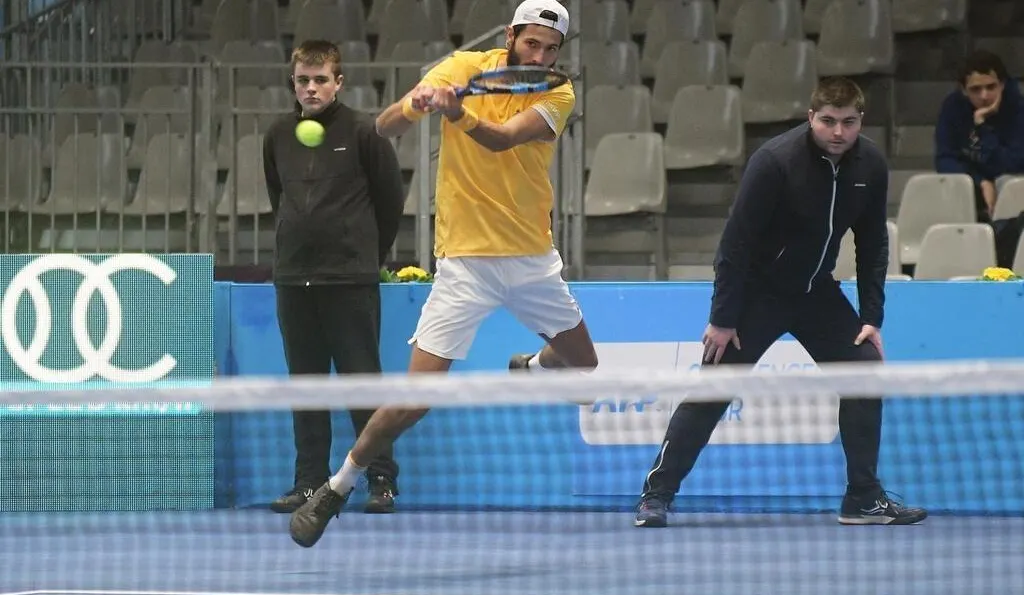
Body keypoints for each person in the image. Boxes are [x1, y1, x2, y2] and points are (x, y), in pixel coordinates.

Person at [288, 0, 599, 548]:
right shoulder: (461, 67)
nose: (540, 55)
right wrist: (419, 103)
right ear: (510, 36)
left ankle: (532, 364)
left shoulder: (558, 91)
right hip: (464, 264)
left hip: (531, 258)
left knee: (584, 366)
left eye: (551, 49)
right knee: (414, 398)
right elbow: (383, 128)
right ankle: (337, 487)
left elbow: (502, 139)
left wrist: (457, 114)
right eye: (531, 44)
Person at [633, 77, 929, 529]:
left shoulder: (870, 163)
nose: (837, 132)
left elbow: (872, 244)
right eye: (828, 121)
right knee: (712, 391)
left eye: (848, 123)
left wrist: (872, 317)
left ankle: (863, 499)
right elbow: (735, 243)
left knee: (864, 369)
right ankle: (656, 496)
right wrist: (723, 319)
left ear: (860, 122)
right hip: (758, 295)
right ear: (811, 117)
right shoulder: (774, 161)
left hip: (816, 293)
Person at [262, 39, 406, 515]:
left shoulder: (365, 132)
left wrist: (366, 255)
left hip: (350, 280)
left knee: (362, 383)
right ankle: (308, 483)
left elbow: (390, 203)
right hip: (294, 279)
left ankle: (380, 481)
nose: (311, 87)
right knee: (306, 385)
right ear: (294, 83)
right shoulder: (278, 135)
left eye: (321, 79)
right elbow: (276, 197)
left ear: (338, 83)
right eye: (303, 79)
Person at [935, 49, 1024, 222]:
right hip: (974, 184)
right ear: (963, 90)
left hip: (1010, 185)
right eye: (976, 89)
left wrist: (982, 126)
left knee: (1007, 183)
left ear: (1002, 84)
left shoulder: (1018, 110)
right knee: (954, 185)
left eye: (991, 87)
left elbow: (1012, 164)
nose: (984, 96)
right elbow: (944, 158)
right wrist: (980, 181)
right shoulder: (952, 108)